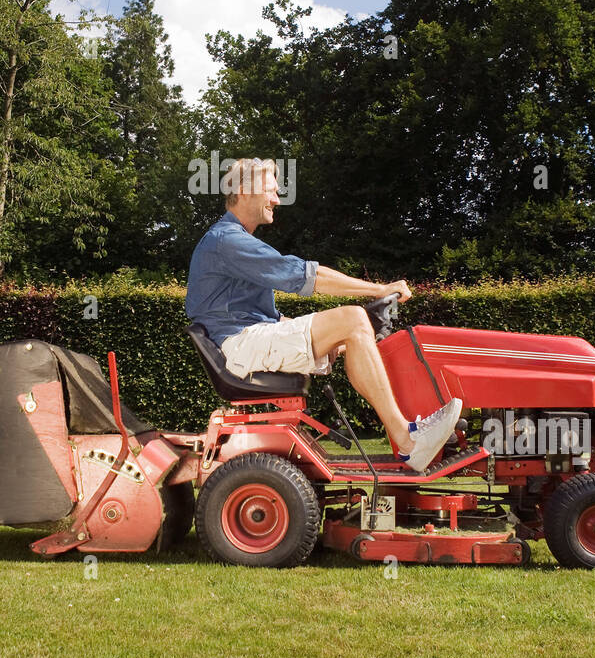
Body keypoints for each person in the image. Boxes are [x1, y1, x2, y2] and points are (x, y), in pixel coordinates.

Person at [185, 157, 463, 472]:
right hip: (237, 347)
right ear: (246, 190)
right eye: (271, 191)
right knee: (353, 318)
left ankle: (412, 429)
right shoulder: (229, 241)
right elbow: (307, 277)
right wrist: (379, 289)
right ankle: (409, 442)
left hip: (242, 342)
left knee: (355, 331)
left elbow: (267, 320)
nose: (277, 200)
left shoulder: (234, 241)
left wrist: (342, 341)